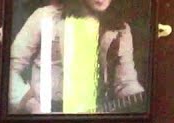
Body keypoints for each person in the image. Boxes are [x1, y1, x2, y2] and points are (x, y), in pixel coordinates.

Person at [8, 0, 145, 115]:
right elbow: (9, 68)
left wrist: (145, 100)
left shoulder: (120, 29)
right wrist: (30, 104)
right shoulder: (44, 16)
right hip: (48, 117)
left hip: (95, 120)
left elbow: (125, 83)